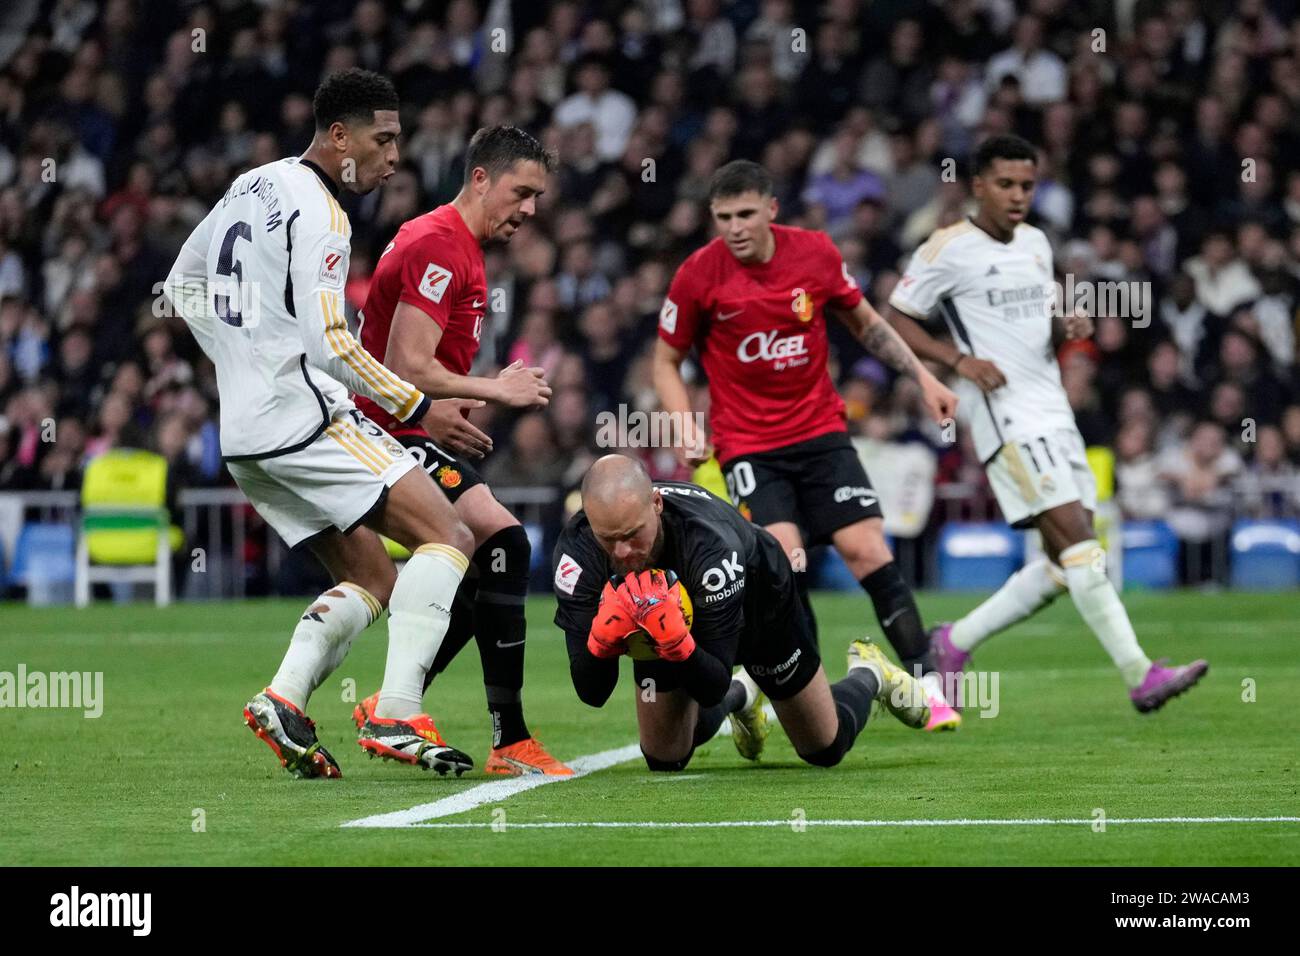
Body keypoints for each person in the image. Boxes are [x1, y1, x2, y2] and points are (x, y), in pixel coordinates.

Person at [164, 69, 493, 778]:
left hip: (246, 436)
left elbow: (182, 284)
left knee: (373, 574)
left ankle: (284, 698)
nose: (395, 155)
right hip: (301, 417)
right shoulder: (325, 213)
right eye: (384, 139)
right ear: (338, 137)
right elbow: (330, 343)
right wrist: (417, 406)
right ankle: (399, 712)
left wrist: (239, 359)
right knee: (450, 532)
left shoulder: (250, 184)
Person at [884, 134, 1208, 713]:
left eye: (1027, 185)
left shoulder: (1036, 243)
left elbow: (1037, 324)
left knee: (1065, 566)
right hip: (1005, 418)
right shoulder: (947, 248)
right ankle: (1141, 675)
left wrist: (1065, 328)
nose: (1017, 196)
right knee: (1081, 546)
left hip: (1054, 410)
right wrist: (957, 362)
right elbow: (895, 317)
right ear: (978, 185)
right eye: (1005, 184)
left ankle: (952, 643)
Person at [653, 159, 961, 730]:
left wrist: (924, 377)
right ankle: (806, 704)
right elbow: (665, 360)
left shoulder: (815, 254)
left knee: (869, 551)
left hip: (821, 434)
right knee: (786, 565)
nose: (735, 227)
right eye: (723, 217)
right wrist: (683, 423)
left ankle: (928, 683)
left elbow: (867, 323)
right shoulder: (699, 274)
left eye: (746, 213)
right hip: (749, 447)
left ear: (772, 209)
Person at [347, 125, 571, 775]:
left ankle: (396, 706)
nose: (530, 209)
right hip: (382, 432)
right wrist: (493, 387)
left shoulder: (458, 248)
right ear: (480, 179)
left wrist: (453, 402)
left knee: (492, 558)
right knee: (504, 543)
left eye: (538, 197)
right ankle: (505, 740)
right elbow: (404, 362)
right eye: (521, 192)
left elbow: (413, 364)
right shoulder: (440, 244)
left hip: (408, 427)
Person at [553, 455, 934, 772]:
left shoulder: (712, 547)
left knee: (822, 748)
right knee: (665, 757)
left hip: (760, 602)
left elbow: (711, 684)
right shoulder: (578, 557)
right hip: (665, 618)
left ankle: (869, 673)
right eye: (609, 539)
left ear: (656, 504)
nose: (622, 554)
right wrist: (600, 644)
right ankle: (745, 694)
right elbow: (592, 693)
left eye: (633, 534)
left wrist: (678, 645)